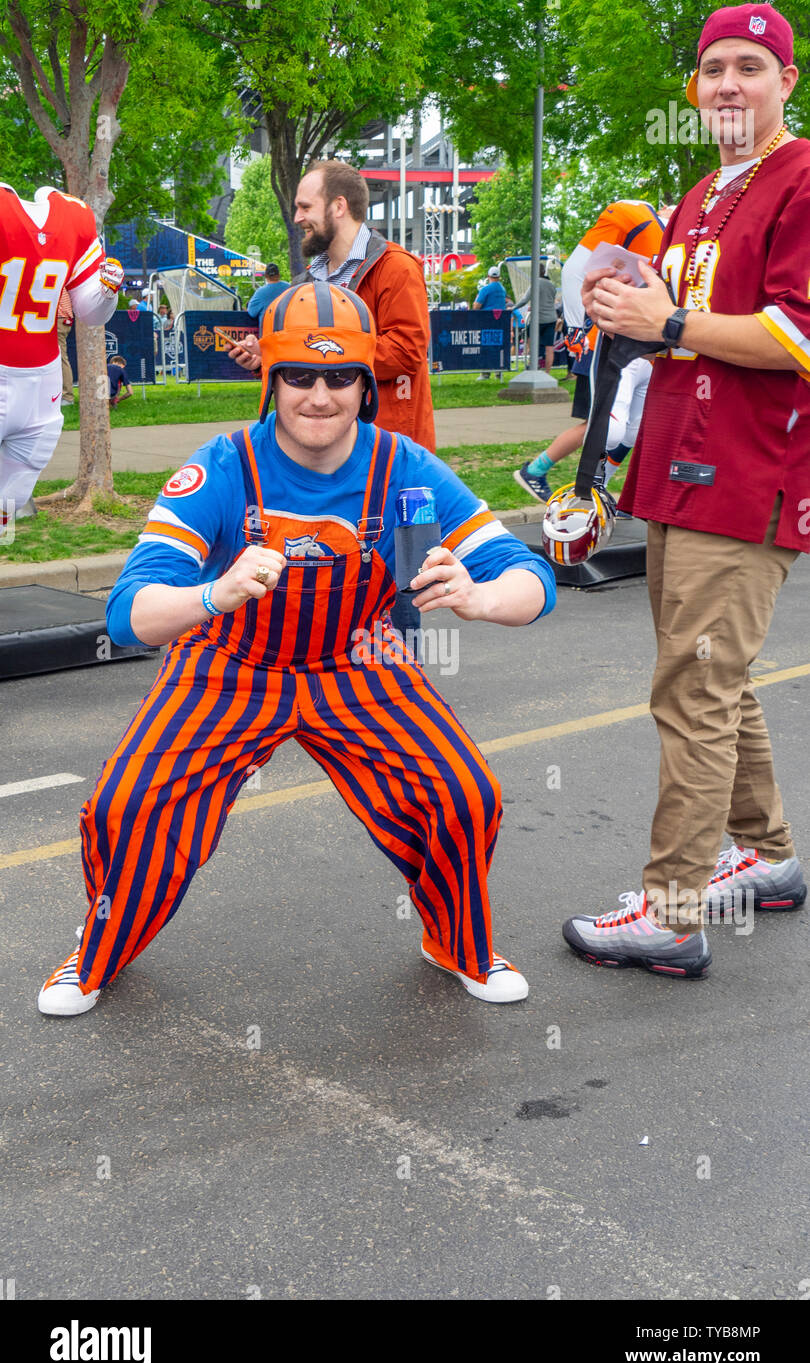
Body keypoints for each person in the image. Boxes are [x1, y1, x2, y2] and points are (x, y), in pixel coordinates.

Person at [36, 282, 556, 1018]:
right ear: (271, 379)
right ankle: (98, 952)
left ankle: (456, 942)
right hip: (229, 662)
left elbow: (533, 579)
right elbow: (127, 616)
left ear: (365, 382)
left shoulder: (403, 465)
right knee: (130, 804)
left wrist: (479, 597)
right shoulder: (221, 465)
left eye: (340, 375)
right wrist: (213, 594)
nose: (320, 395)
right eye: (300, 376)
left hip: (356, 659)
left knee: (463, 796)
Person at [562, 2, 809, 978]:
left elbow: (796, 337)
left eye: (751, 66)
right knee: (720, 680)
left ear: (787, 80)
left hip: (749, 475)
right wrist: (625, 306)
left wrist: (667, 323)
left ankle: (671, 908)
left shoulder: (801, 180)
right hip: (679, 470)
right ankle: (767, 854)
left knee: (692, 690)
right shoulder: (705, 191)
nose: (729, 86)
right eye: (714, 71)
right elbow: (674, 328)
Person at [230, 160, 435, 453]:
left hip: (384, 451)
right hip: (318, 451)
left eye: (305, 207)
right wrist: (265, 354)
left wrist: (314, 350)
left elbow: (405, 353)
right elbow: (300, 366)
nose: (298, 218)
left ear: (339, 206)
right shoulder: (305, 282)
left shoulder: (396, 268)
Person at [513, 201, 668, 503]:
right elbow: (574, 269)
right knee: (606, 429)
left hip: (652, 348)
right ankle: (537, 470)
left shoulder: (697, 238)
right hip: (610, 341)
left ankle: (597, 494)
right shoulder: (635, 214)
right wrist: (576, 328)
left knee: (632, 432)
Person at [0, 182, 123, 532]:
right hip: (38, 377)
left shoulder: (76, 219)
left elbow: (92, 310)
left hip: (41, 379)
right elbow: (93, 313)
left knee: (8, 506)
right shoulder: (77, 217)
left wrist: (106, 291)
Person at [512, 258, 558, 372]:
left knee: (529, 339)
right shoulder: (551, 285)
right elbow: (550, 300)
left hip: (538, 319)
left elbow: (524, 300)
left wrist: (512, 308)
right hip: (551, 318)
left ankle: (533, 364)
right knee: (549, 348)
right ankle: (547, 372)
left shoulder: (535, 284)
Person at [473, 266, 507, 380]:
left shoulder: (485, 289)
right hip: (500, 322)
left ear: (488, 277)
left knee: (486, 347)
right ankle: (499, 372)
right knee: (498, 347)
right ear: (499, 277)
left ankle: (485, 373)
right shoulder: (502, 289)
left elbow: (476, 306)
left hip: (486, 322)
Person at [247, 263, 290, 327]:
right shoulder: (290, 288)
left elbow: (252, 313)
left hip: (269, 333)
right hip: (288, 330)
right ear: (279, 275)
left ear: (266, 276)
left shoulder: (260, 293)